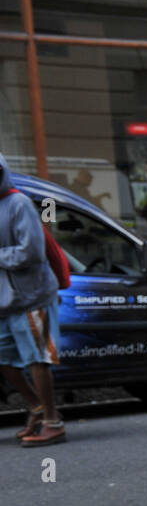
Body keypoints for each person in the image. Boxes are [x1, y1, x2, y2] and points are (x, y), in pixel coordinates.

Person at [0, 153, 65, 447]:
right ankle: (36, 406)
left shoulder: (19, 204)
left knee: (37, 358)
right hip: (5, 300)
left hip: (31, 296)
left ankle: (53, 422)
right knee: (4, 359)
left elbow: (31, 252)